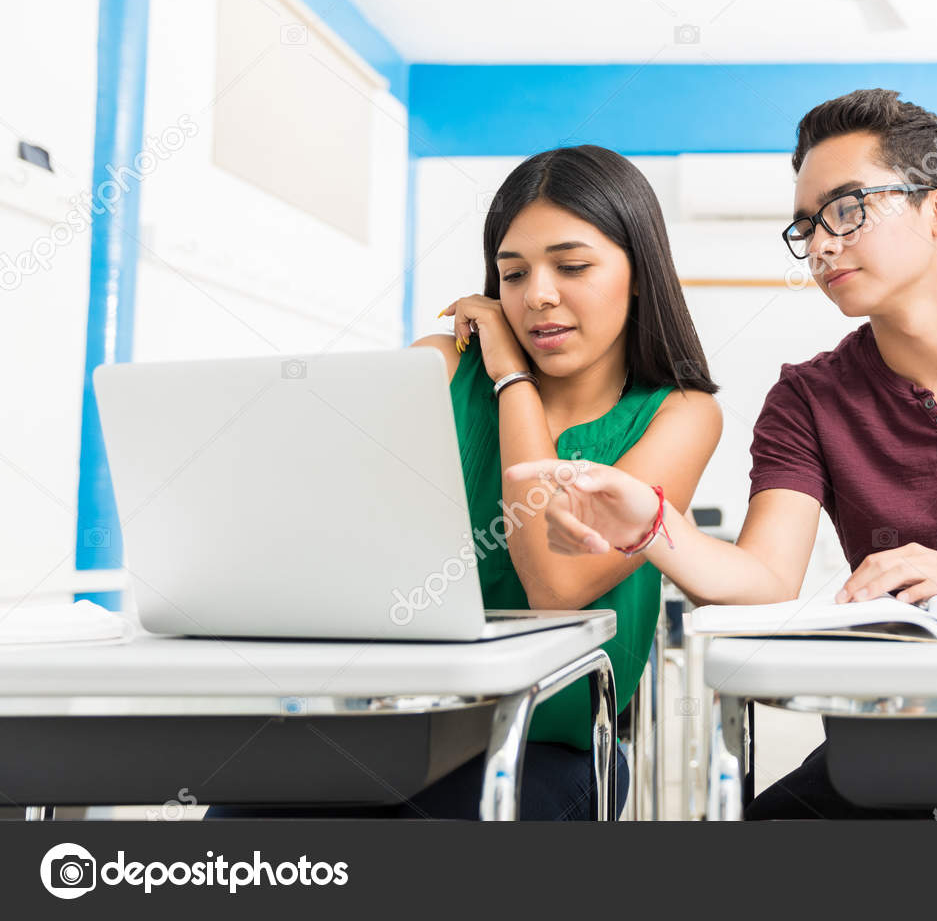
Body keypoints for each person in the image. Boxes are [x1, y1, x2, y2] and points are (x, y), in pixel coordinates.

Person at [508, 89, 937, 819]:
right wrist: (655, 524)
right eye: (806, 225)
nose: (819, 244)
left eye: (846, 208)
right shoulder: (808, 397)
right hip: (898, 739)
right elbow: (766, 579)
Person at [209, 144, 721, 820]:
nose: (537, 294)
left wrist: (513, 381)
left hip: (548, 745)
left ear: (637, 274)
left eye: (571, 266)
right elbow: (334, 539)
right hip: (393, 724)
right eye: (513, 273)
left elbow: (555, 586)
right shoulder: (438, 368)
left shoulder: (681, 413)